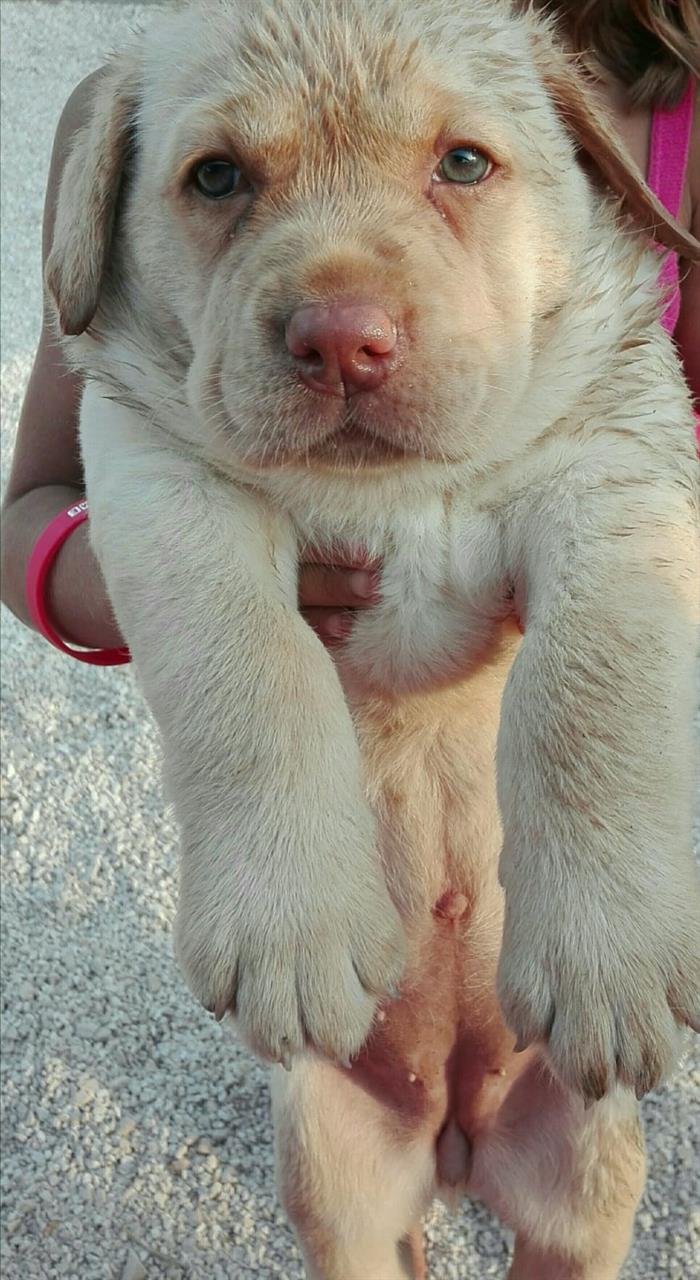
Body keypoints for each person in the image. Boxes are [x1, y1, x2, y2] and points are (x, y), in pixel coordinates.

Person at [1, 0, 698, 657]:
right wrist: (175, 580)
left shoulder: (673, 115)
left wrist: (594, 573)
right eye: (218, 177)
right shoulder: (154, 93)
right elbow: (30, 513)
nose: (343, 332)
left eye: (463, 164)